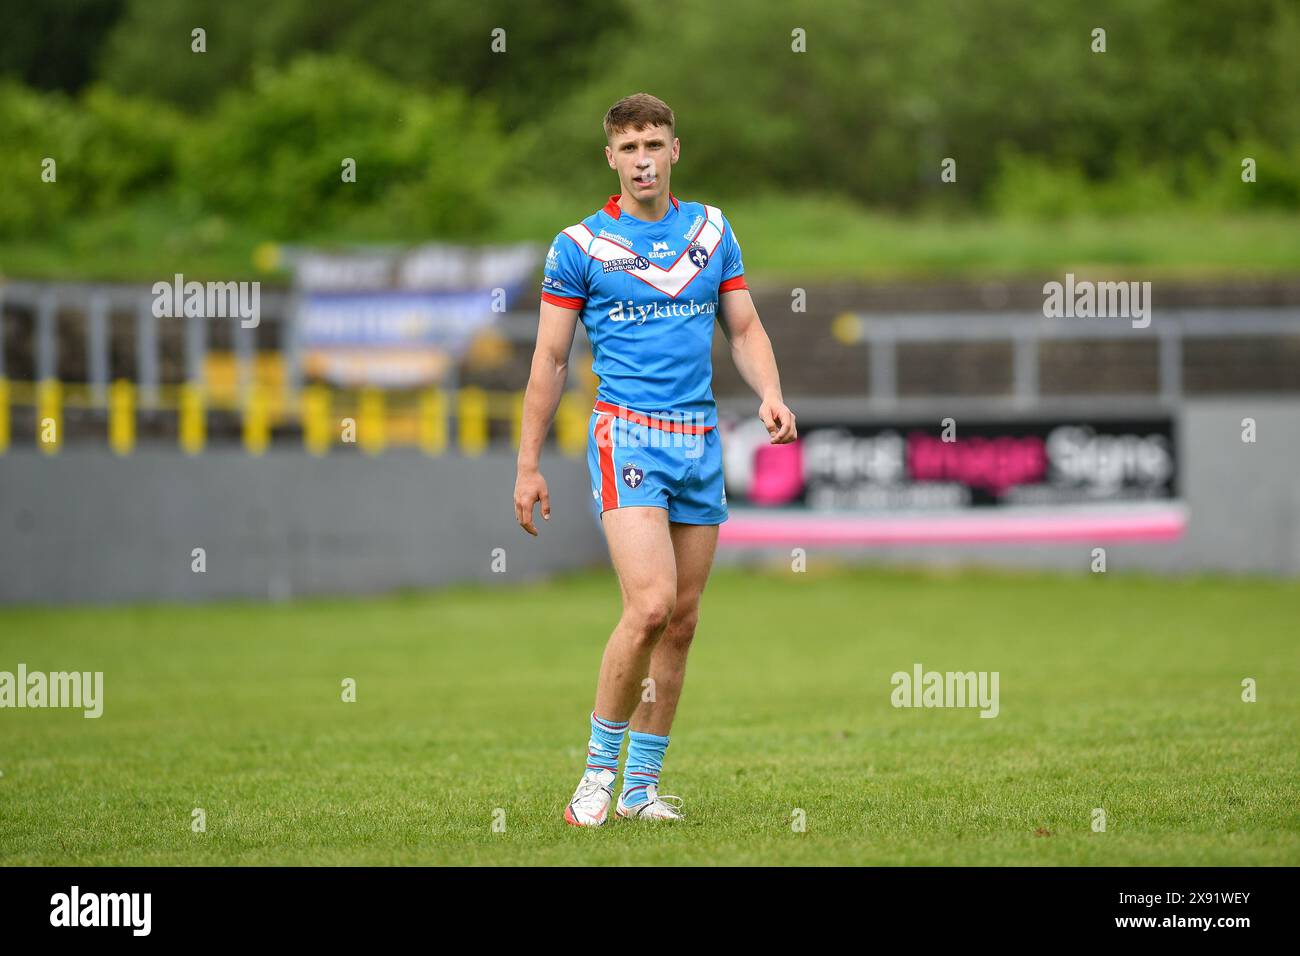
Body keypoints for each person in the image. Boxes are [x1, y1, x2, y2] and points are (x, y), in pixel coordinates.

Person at [513, 92, 797, 825]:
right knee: (648, 606)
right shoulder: (579, 245)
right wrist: (528, 464)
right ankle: (595, 777)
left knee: (683, 620)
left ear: (676, 150)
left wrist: (770, 392)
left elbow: (744, 326)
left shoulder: (711, 230)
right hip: (627, 435)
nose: (644, 159)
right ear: (611, 157)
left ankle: (642, 788)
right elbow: (548, 359)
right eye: (629, 147)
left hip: (698, 438)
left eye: (655, 144)